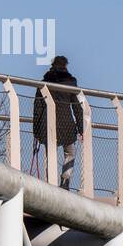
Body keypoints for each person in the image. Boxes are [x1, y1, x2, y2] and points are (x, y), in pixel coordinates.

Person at [32, 55, 85, 189]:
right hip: (66, 123)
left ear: (52, 65)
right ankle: (65, 179)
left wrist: (36, 130)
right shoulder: (71, 83)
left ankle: (50, 183)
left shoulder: (44, 83)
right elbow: (77, 107)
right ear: (65, 66)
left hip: (47, 123)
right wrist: (81, 129)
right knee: (70, 153)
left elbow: (37, 108)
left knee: (50, 153)